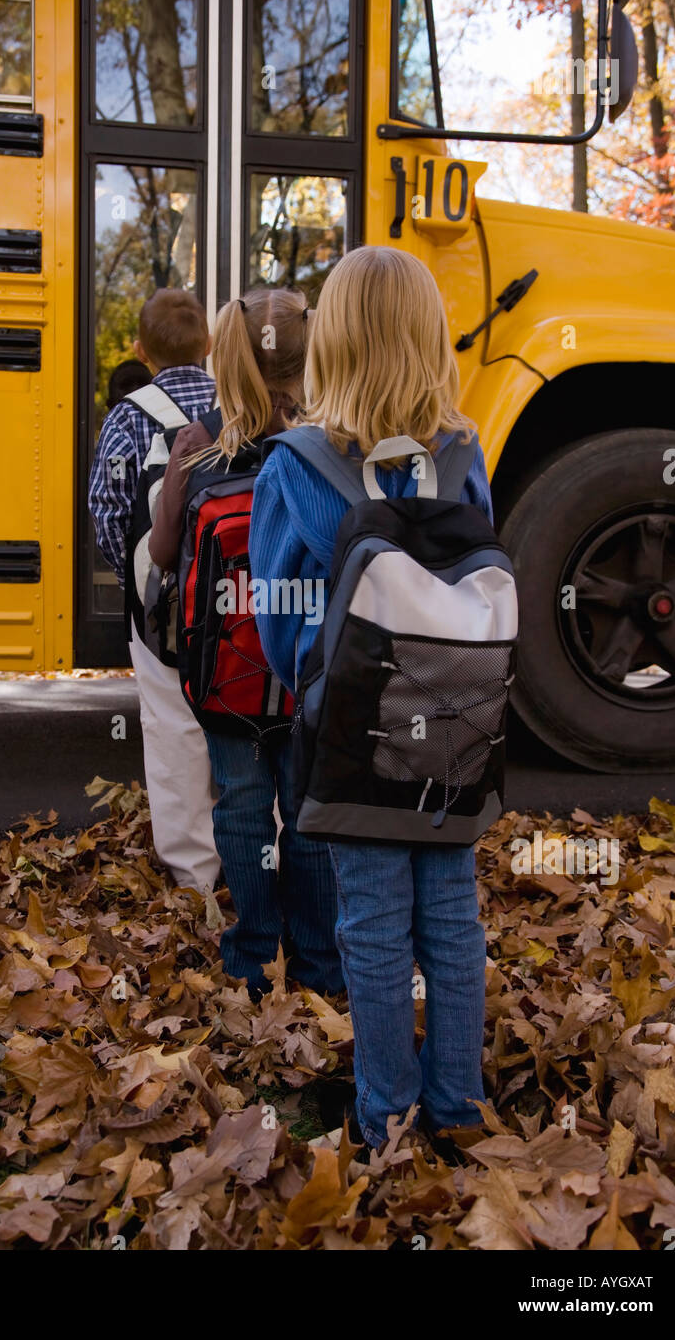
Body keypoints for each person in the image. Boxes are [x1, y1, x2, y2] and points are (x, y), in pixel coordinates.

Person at [249, 247, 492, 1148]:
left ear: (331, 343)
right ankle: (460, 1108)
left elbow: (279, 626)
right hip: (457, 734)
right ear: (431, 337)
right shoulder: (466, 454)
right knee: (453, 925)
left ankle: (386, 1114)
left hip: (353, 741)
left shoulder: (297, 467)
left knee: (374, 927)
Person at [148, 288, 342, 997]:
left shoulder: (200, 447)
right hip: (308, 675)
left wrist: (179, 472)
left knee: (239, 807)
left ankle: (253, 957)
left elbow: (165, 555)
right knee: (309, 814)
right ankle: (320, 966)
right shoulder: (331, 448)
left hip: (224, 675)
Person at [88, 289, 219, 896]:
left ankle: (194, 876)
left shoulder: (127, 416)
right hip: (239, 604)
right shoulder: (237, 404)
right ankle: (256, 848)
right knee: (245, 724)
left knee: (172, 730)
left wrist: (140, 585)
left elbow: (107, 509)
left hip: (161, 608)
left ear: (140, 351)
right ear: (211, 346)